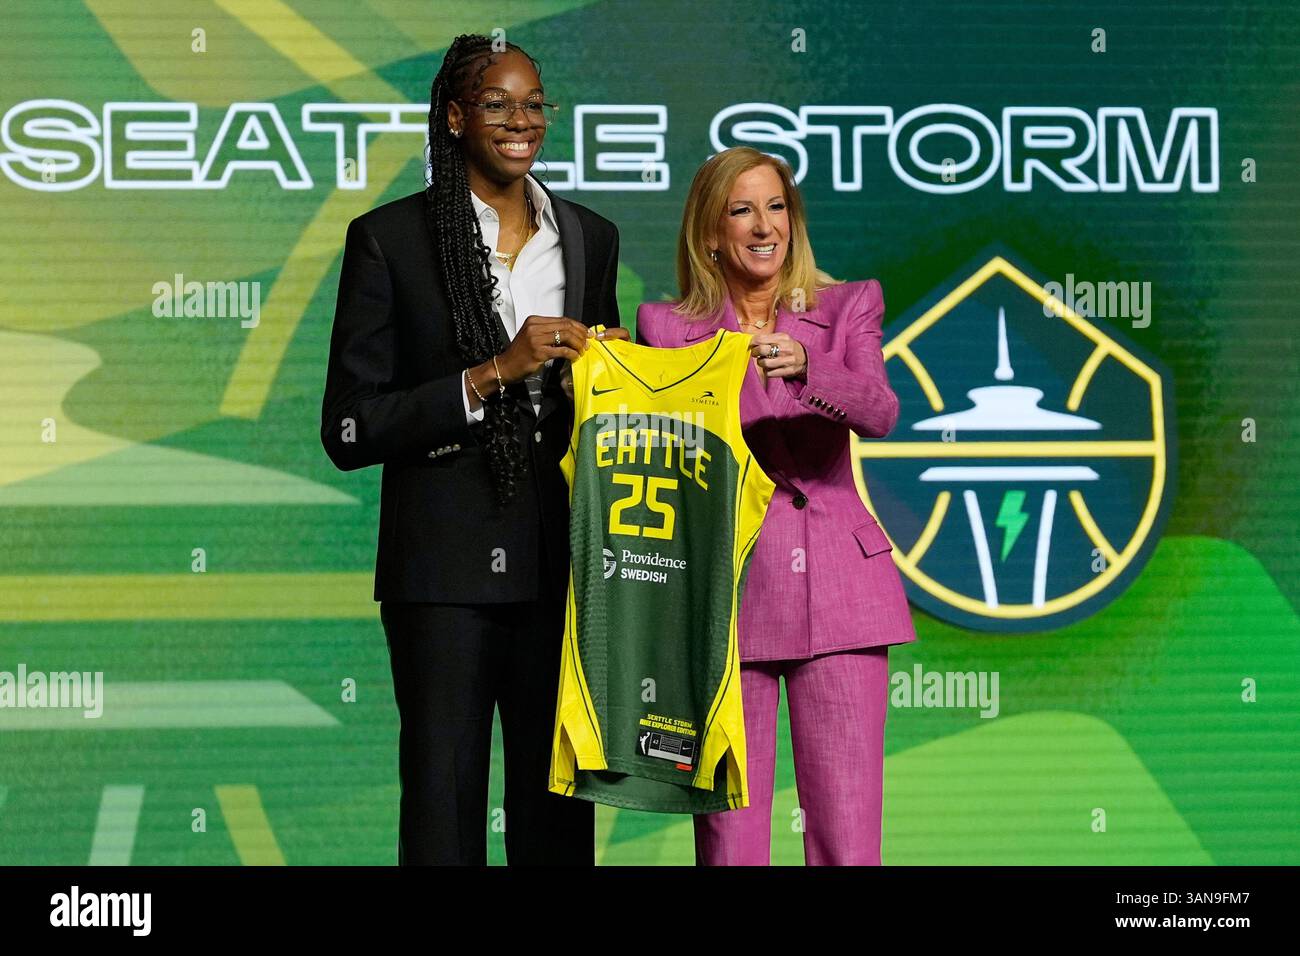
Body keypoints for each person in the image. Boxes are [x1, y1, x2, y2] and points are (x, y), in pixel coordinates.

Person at [321, 34, 627, 865]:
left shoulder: (591, 238)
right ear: (453, 118)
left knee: (559, 810)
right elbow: (349, 428)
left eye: (533, 104)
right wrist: (492, 373)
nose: (520, 120)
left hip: (560, 563)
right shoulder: (389, 239)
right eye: (496, 103)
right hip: (441, 570)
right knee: (443, 806)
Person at [636, 146, 917, 865]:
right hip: (726, 599)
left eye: (777, 207)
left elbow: (880, 410)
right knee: (730, 845)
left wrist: (810, 369)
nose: (764, 227)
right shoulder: (664, 328)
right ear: (709, 234)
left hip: (844, 592)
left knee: (846, 839)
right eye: (742, 210)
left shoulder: (848, 304)